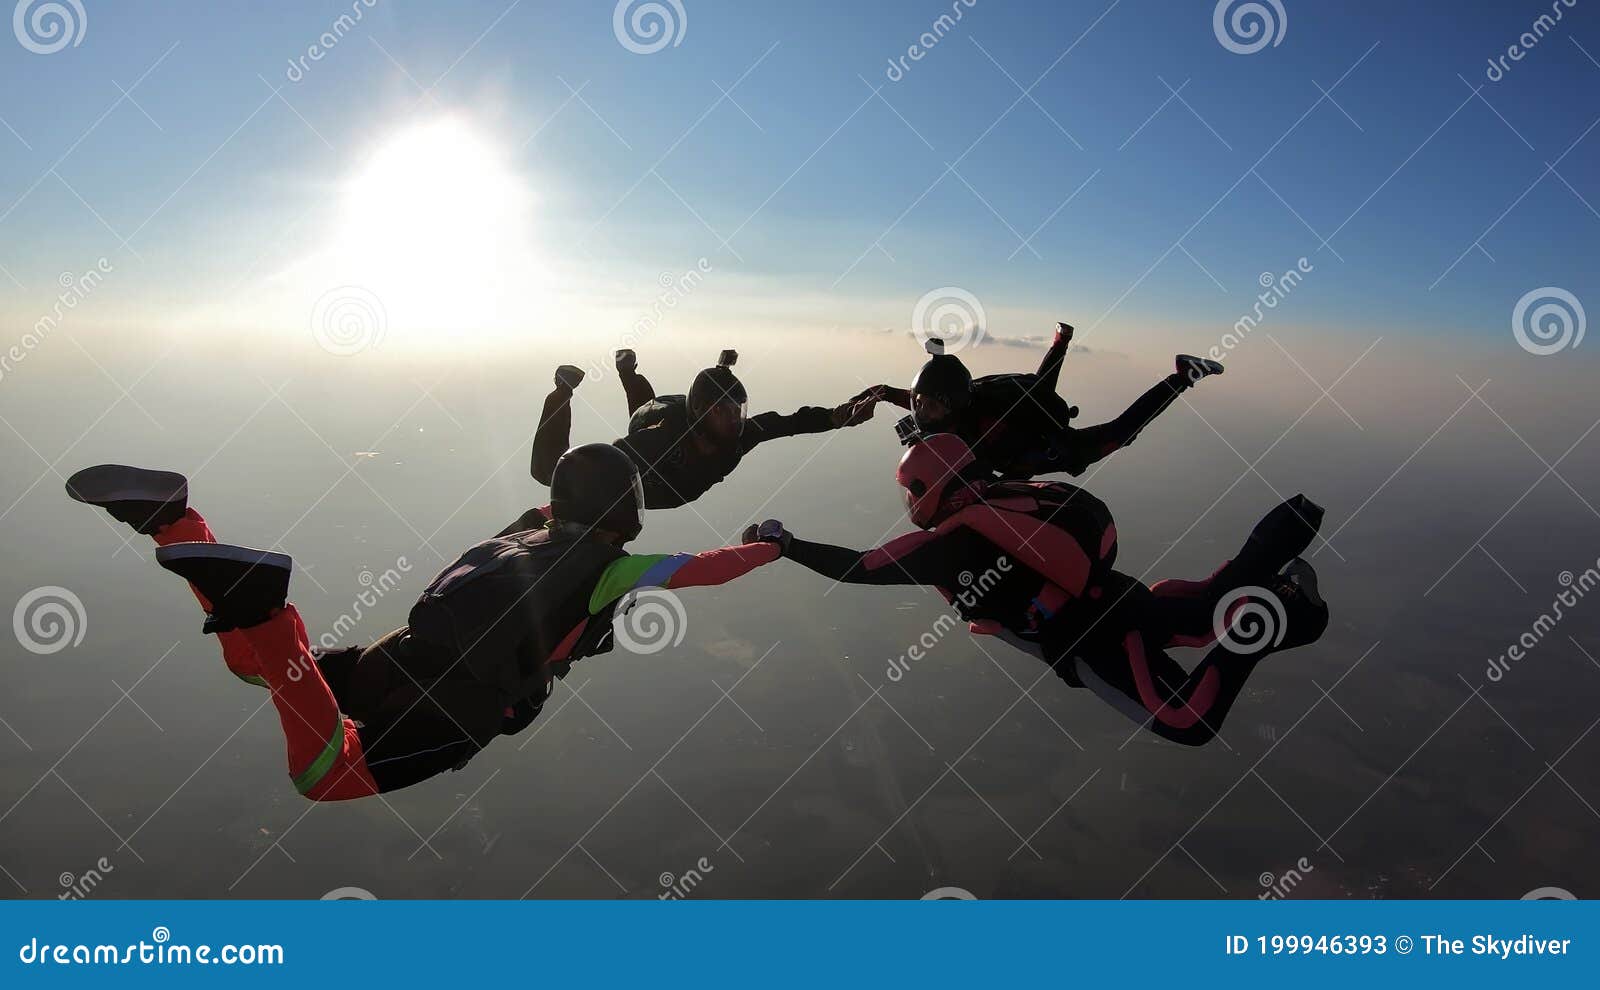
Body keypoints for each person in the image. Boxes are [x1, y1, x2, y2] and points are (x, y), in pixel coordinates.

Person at [64, 449, 790, 801]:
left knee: (256, 667)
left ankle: (174, 522)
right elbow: (712, 567)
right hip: (458, 709)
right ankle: (260, 608)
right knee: (324, 774)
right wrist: (772, 543)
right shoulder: (611, 569)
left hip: (403, 655)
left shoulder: (527, 533)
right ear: (625, 514)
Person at [752, 433, 1329, 746]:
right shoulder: (1008, 494)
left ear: (924, 491)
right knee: (1203, 615)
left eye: (910, 491)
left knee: (1187, 721)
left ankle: (1275, 611)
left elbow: (860, 567)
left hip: (1091, 642)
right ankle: (1288, 530)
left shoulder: (948, 545)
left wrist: (787, 544)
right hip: (1122, 598)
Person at [519, 350, 885, 524]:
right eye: (721, 412)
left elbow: (787, 422)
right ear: (701, 412)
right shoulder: (659, 440)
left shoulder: (739, 436)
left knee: (644, 407)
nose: (733, 421)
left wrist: (840, 417)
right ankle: (562, 390)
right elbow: (605, 460)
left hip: (669, 472)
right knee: (551, 473)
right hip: (651, 475)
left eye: (737, 411)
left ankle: (627, 369)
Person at [881, 322, 1226, 479]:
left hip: (1048, 445)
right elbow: (912, 398)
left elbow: (1012, 467)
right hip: (1031, 415)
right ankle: (1061, 341)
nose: (921, 412)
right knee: (1040, 390)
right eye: (919, 402)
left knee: (1120, 433)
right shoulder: (959, 410)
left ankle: (1183, 376)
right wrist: (880, 394)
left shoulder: (985, 427)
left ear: (953, 405)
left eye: (931, 405)